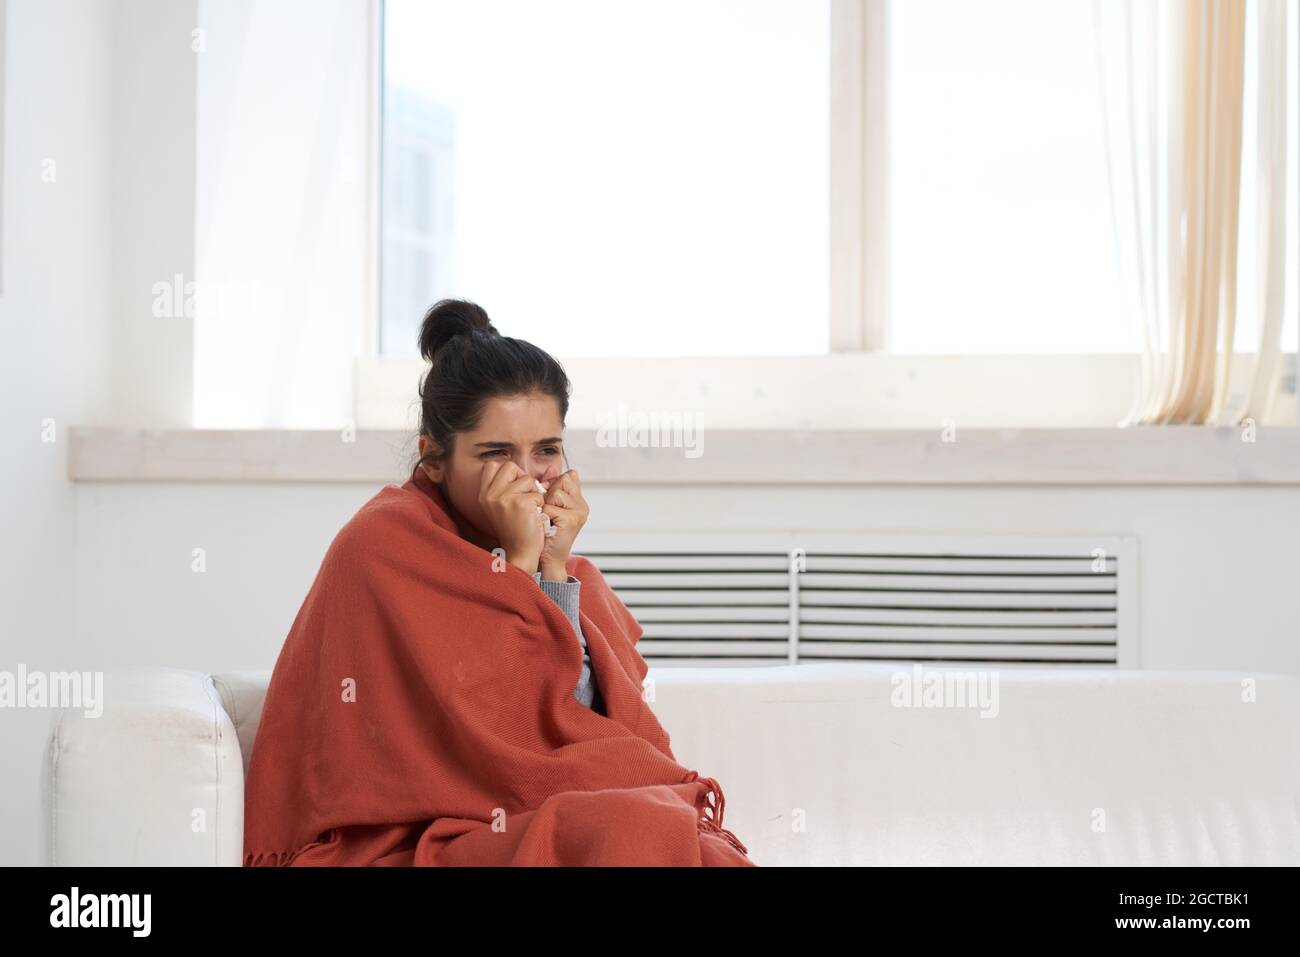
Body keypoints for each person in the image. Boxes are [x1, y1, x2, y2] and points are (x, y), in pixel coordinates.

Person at [242, 298, 754, 867]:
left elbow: (573, 721)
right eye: (496, 454)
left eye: (547, 451)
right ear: (434, 459)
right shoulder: (380, 546)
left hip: (543, 807)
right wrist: (513, 565)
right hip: (426, 826)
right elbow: (480, 728)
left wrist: (552, 569)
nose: (528, 477)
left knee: (687, 839)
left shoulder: (569, 571)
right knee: (632, 823)